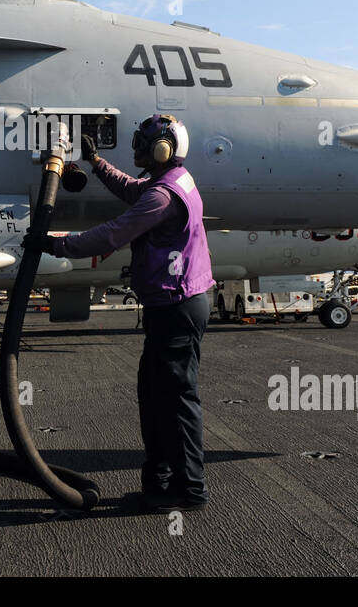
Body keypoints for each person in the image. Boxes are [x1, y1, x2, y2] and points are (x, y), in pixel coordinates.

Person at [22, 115, 215, 513]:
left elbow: (112, 234)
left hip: (176, 306)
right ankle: (160, 482)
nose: (138, 151)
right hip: (175, 303)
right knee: (154, 394)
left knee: (176, 399)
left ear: (164, 148)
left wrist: (53, 245)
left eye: (144, 145)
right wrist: (96, 163)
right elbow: (133, 190)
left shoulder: (162, 196)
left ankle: (189, 489)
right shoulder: (173, 180)